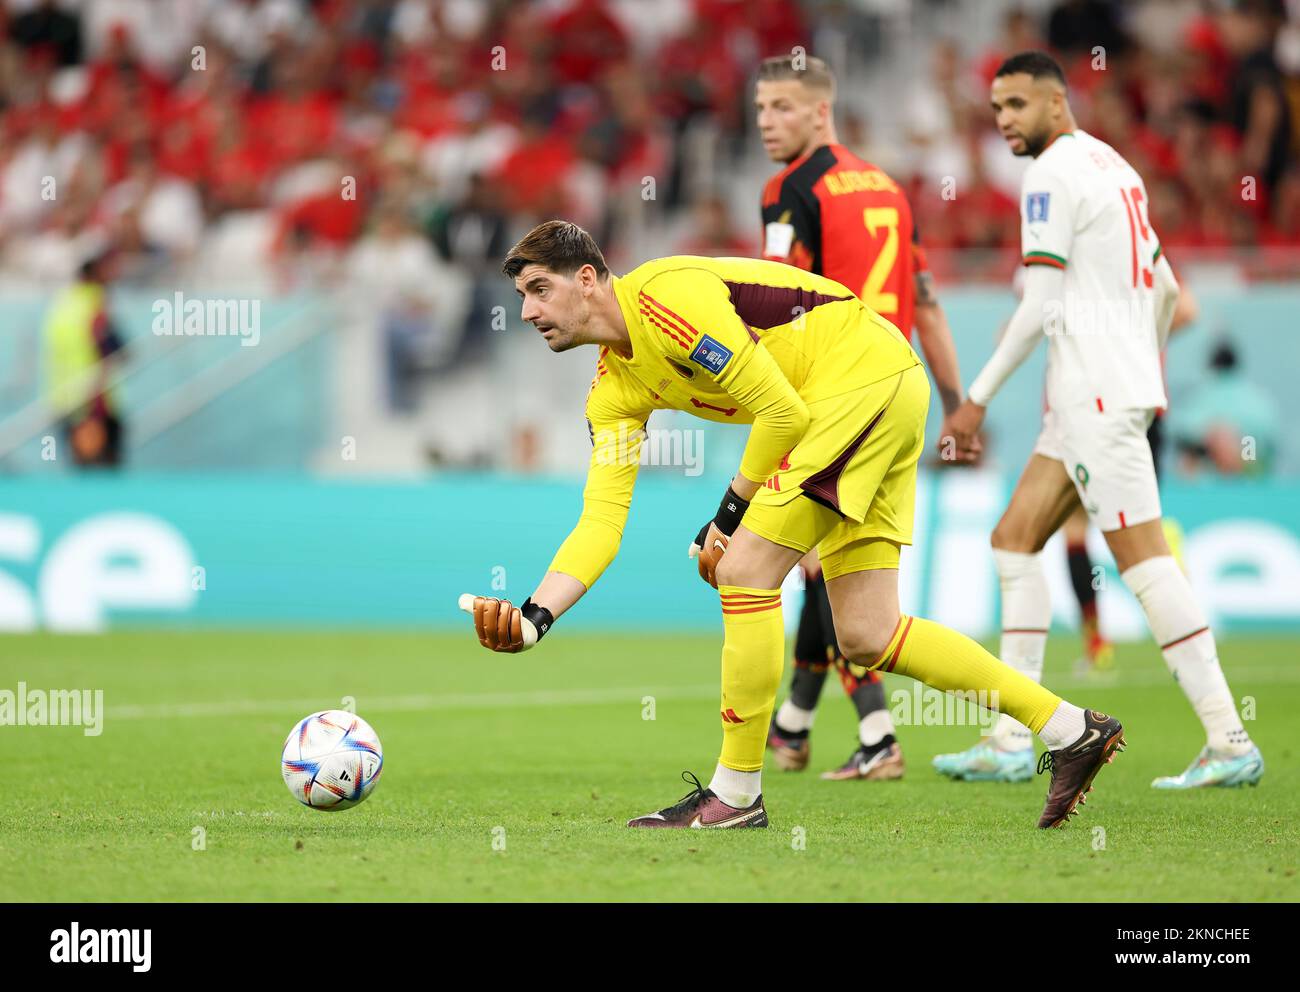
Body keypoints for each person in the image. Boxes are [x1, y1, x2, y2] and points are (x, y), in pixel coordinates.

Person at [459, 218, 1125, 829]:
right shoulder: (613, 391)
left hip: (856, 383)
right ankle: (1070, 728)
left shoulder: (665, 301)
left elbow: (779, 413)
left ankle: (737, 795)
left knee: (743, 568)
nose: (527, 312)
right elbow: (602, 520)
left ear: (587, 278)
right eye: (521, 296)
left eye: (539, 290)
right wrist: (533, 618)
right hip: (876, 392)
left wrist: (726, 517)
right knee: (867, 634)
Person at [943, 52, 1263, 790]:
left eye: (1018, 105)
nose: (1005, 121)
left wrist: (976, 399)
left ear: (1058, 102)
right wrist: (1139, 365)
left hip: (1092, 400)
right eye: (997, 108)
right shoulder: (1117, 169)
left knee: (1145, 560)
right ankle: (1010, 739)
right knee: (1013, 541)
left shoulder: (1050, 175)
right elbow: (1169, 288)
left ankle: (1228, 737)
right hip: (1094, 398)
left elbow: (1041, 304)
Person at [753, 54, 966, 781]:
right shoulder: (888, 189)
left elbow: (776, 300)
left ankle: (875, 735)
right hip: (900, 391)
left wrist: (771, 411)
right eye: (759, 110)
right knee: (825, 566)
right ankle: (794, 724)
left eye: (781, 108)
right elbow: (927, 303)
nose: (766, 123)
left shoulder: (790, 191)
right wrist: (959, 401)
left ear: (821, 111)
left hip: (838, 394)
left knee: (812, 564)